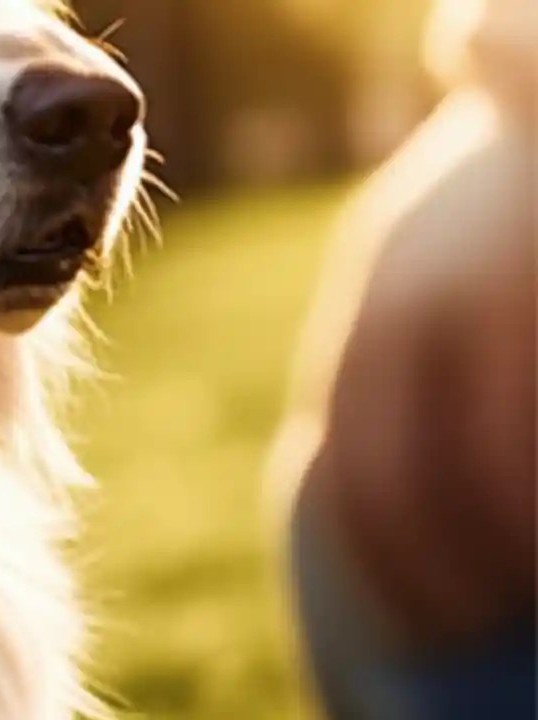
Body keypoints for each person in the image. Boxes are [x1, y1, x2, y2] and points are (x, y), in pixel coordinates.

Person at [269, 0, 536, 717]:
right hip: (437, 615)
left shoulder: (467, 153)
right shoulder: (511, 190)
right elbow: (507, 449)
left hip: (373, 575)